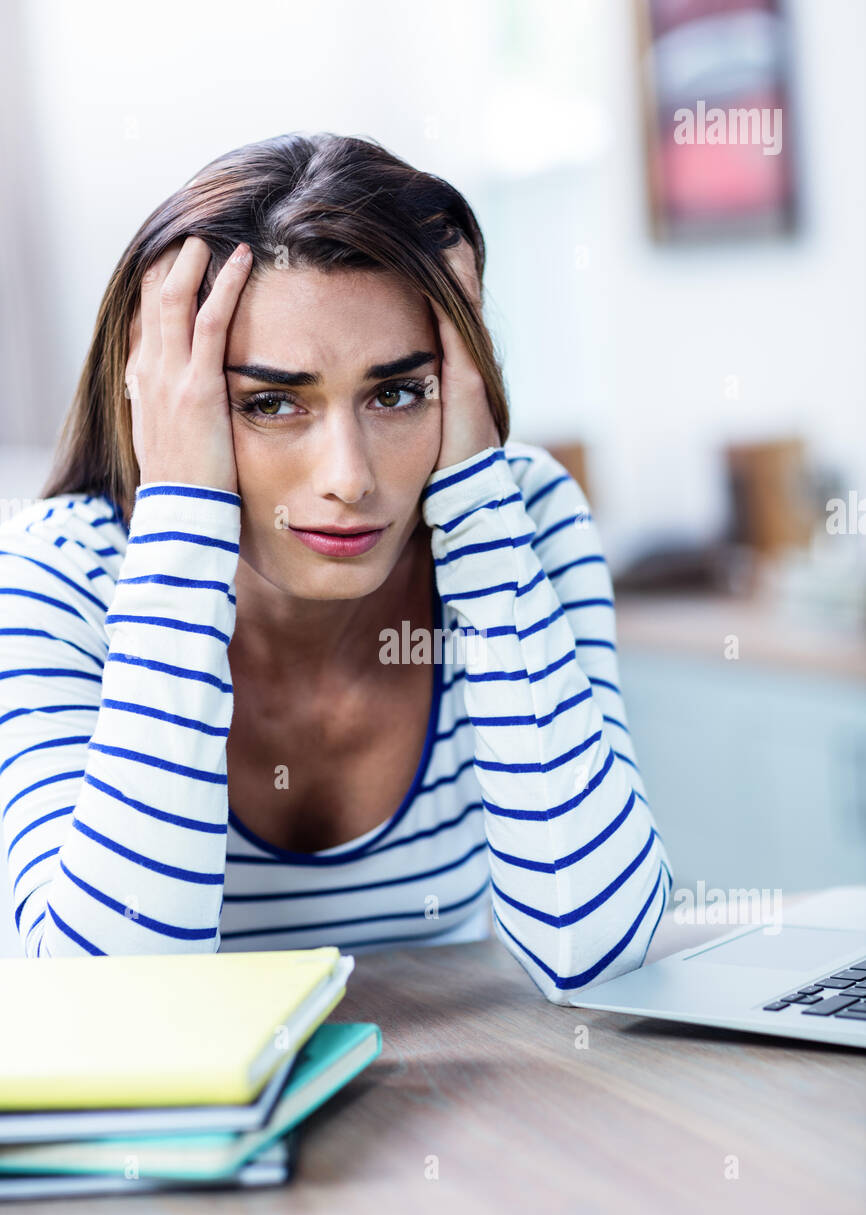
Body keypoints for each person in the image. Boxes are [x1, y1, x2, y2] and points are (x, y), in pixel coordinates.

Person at [0, 131, 672, 1003]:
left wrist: (480, 512)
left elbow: (598, 949)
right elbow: (113, 1005)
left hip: (462, 1116)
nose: (349, 479)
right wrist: (181, 533)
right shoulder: (56, 576)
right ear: (166, 396)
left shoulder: (520, 521)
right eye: (272, 403)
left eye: (396, 392)